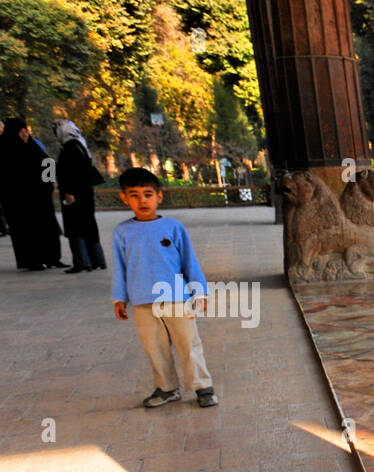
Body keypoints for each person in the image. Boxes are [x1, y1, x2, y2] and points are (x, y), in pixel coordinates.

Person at [111, 167, 219, 408]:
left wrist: (199, 292)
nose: (142, 200)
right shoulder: (122, 232)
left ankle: (203, 386)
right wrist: (119, 298)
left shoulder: (174, 228)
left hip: (176, 298)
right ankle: (167, 388)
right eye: (134, 195)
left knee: (188, 344)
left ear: (159, 196)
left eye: (148, 194)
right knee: (155, 347)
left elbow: (189, 262)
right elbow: (120, 268)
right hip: (142, 301)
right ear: (124, 198)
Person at [0, 116, 67, 270]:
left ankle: (53, 258)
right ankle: (32, 261)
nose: (25, 135)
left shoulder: (32, 146)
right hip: (19, 202)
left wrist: (50, 182)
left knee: (47, 228)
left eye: (26, 131)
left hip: (40, 198)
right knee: (26, 231)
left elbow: (48, 162)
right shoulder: (5, 150)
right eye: (21, 132)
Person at [53, 119, 107, 273]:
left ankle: (82, 262)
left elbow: (70, 173)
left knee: (74, 227)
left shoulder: (69, 149)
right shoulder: (80, 145)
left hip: (73, 194)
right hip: (85, 193)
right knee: (88, 225)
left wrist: (69, 192)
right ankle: (97, 260)